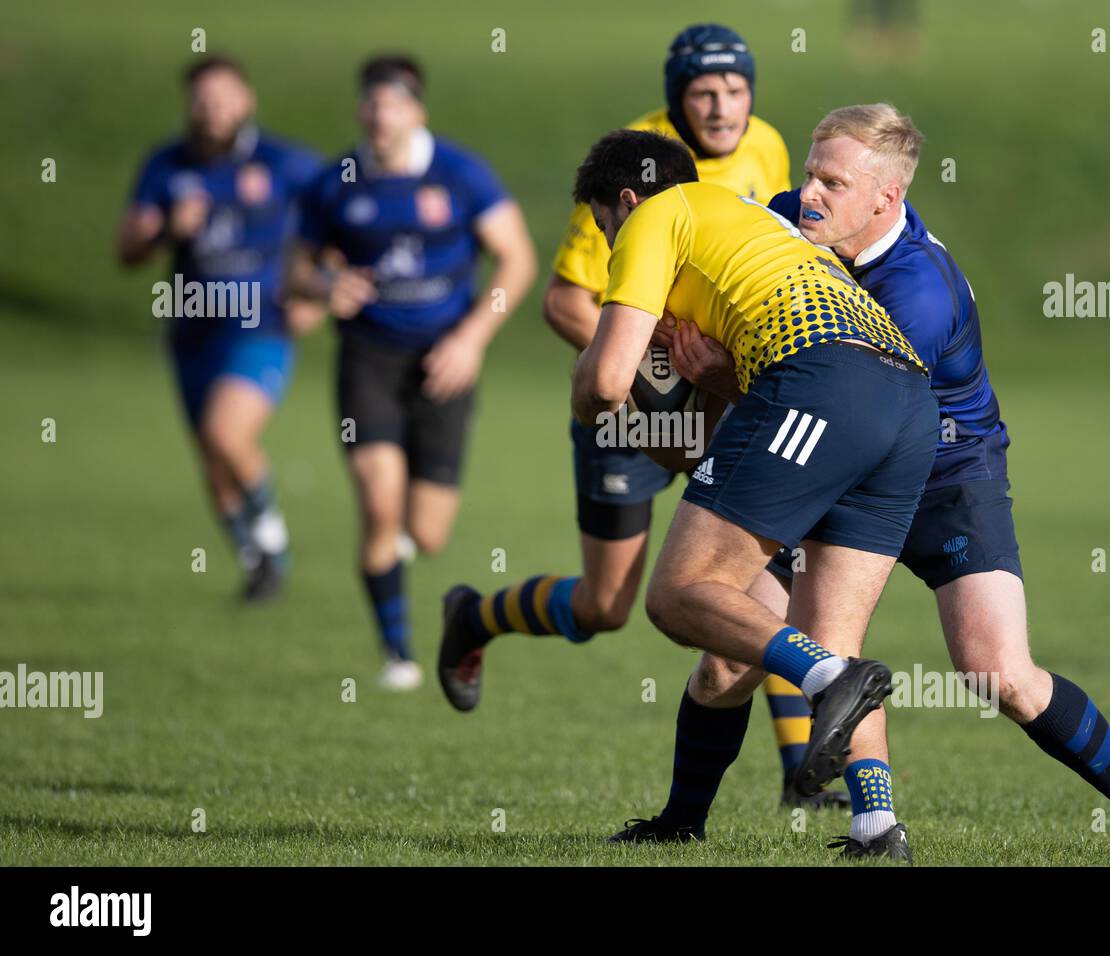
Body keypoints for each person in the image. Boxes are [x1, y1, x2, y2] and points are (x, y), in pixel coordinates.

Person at [616, 104, 1110, 861]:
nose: (809, 194)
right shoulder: (791, 222)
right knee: (739, 649)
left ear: (886, 200)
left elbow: (857, 404)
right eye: (810, 172)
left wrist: (719, 379)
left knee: (998, 671)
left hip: (948, 471)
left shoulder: (916, 290)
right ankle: (721, 826)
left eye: (832, 181)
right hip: (842, 451)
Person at [438, 25, 839, 810]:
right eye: (703, 93)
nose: (722, 108)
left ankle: (802, 774)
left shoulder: (767, 147)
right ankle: (474, 613)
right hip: (629, 403)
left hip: (719, 388)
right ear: (675, 98)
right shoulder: (632, 166)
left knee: (755, 564)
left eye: (734, 90)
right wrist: (645, 368)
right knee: (607, 605)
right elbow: (562, 301)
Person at [292, 55, 536, 690]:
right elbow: (295, 265)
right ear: (360, 110)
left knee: (426, 532)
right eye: (371, 104)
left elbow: (516, 259)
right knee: (378, 499)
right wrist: (324, 282)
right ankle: (397, 653)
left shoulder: (459, 173)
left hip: (444, 362)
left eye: (393, 104)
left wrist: (471, 339)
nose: (380, 116)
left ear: (416, 111)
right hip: (367, 357)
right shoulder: (338, 179)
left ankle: (393, 563)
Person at [118, 54, 322, 601]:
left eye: (223, 99)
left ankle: (273, 541)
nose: (212, 111)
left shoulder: (285, 162)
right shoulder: (166, 165)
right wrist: (164, 229)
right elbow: (128, 250)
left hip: (260, 325)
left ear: (246, 100)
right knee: (212, 460)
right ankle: (258, 563)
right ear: (190, 106)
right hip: (192, 330)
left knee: (225, 433)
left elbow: (339, 224)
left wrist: (317, 295)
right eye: (202, 102)